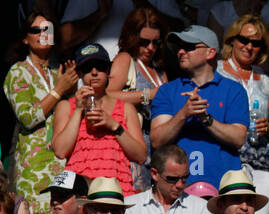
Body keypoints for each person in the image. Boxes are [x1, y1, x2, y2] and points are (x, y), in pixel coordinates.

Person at [151, 25, 249, 187]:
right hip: (177, 189)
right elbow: (157, 140)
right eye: (179, 47)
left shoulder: (233, 90)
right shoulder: (167, 91)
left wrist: (206, 118)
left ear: (210, 52)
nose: (181, 52)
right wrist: (184, 114)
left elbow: (238, 138)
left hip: (222, 191)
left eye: (189, 47)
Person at [51, 43, 146, 196]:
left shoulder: (126, 108)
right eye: (88, 68)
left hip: (116, 191)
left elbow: (141, 156)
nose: (94, 72)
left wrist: (114, 125)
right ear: (80, 73)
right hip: (81, 193)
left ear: (108, 70)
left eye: (100, 67)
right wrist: (78, 110)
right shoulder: (66, 106)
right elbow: (61, 151)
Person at [216, 15, 269, 214]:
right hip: (227, 157)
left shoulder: (268, 81)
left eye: (256, 43)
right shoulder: (216, 71)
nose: (249, 46)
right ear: (232, 40)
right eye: (244, 40)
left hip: (261, 159)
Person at [108, 8, 168, 193]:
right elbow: (109, 95)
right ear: (132, 37)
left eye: (155, 42)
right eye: (144, 42)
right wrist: (148, 95)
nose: (150, 48)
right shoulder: (126, 60)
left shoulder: (160, 71)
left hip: (157, 154)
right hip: (132, 151)